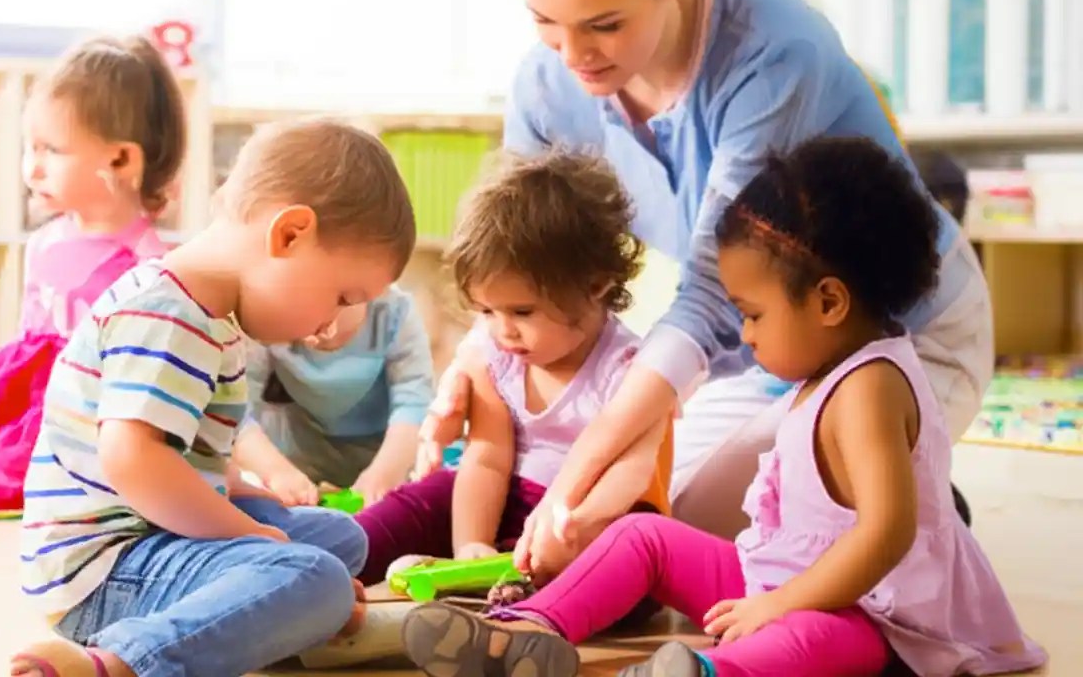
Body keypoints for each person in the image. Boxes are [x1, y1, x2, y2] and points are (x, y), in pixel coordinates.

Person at [400, 137, 1044, 677]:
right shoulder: (827, 372)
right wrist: (774, 594)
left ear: (828, 303)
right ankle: (525, 629)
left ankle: (703, 672)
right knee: (641, 534)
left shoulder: (871, 388)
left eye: (754, 314)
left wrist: (780, 605)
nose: (746, 334)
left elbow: (886, 533)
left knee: (814, 640)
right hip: (779, 577)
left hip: (880, 616)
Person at [417, 0, 992, 546]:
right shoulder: (546, 85)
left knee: (666, 524)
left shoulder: (776, 49)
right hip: (754, 342)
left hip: (894, 332)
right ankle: (852, 492)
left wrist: (596, 455)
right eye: (545, 20)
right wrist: (470, 362)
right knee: (657, 515)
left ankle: (895, 499)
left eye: (606, 24)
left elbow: (709, 289)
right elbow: (514, 264)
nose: (572, 54)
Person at [9, 117, 417, 677]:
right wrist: (252, 534)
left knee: (339, 538)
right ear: (290, 234)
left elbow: (190, 461)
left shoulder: (206, 315)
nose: (330, 325)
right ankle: (122, 660)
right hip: (104, 572)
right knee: (316, 577)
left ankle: (264, 613)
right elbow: (133, 460)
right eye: (342, 296)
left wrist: (253, 502)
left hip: (149, 537)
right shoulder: (167, 314)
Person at [355, 150, 672, 587]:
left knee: (627, 554)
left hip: (589, 518)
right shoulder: (494, 353)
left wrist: (572, 526)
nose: (503, 331)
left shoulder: (630, 369)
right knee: (415, 503)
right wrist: (471, 545)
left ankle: (501, 593)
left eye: (523, 311)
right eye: (486, 310)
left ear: (596, 285)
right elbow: (486, 461)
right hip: (498, 501)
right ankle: (332, 559)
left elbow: (631, 477)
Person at [0, 35, 178, 515]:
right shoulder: (45, 240)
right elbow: (27, 333)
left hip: (87, 405)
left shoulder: (148, 264)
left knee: (39, 466)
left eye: (51, 150)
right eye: (30, 148)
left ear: (120, 160)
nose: (32, 169)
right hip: (30, 390)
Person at [232, 286, 435, 507]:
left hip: (383, 452)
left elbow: (414, 401)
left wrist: (386, 472)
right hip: (298, 452)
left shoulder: (395, 311)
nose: (323, 334)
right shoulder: (265, 312)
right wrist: (275, 470)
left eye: (343, 301)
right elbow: (235, 408)